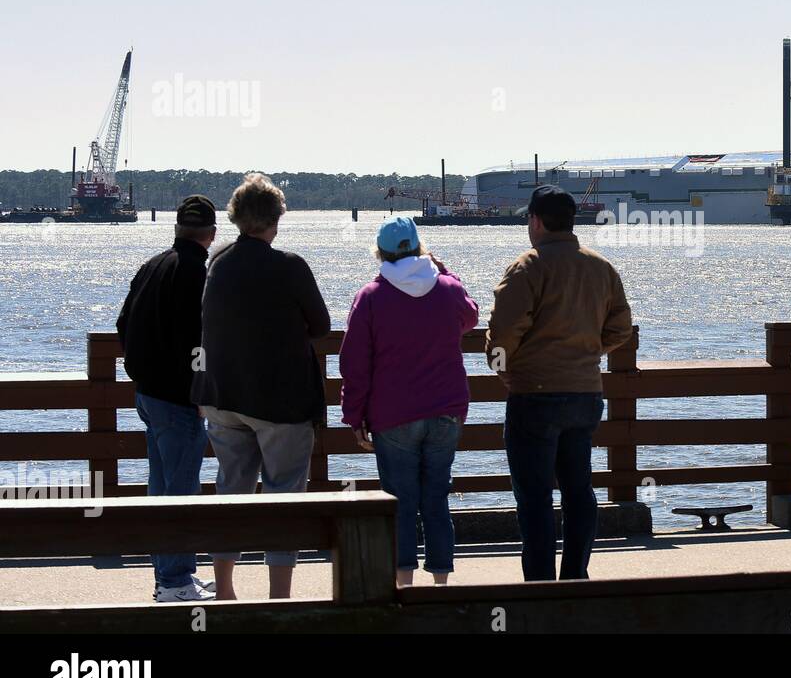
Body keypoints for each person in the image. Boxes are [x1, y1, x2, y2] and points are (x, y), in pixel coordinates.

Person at [191, 173, 330, 600]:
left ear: (235, 218)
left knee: (230, 491)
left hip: (222, 397)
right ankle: (279, 597)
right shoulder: (289, 265)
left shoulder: (218, 262)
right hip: (280, 401)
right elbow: (321, 325)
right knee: (284, 494)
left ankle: (226, 590)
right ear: (275, 218)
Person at [485, 185, 634, 581]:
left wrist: (502, 368)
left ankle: (539, 584)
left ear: (535, 220)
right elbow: (621, 327)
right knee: (578, 490)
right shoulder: (600, 267)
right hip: (585, 392)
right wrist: (587, 353)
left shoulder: (528, 266)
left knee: (534, 497)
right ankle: (575, 576)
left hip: (534, 395)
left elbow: (503, 332)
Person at [339, 216, 479, 586]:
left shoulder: (371, 297)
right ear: (419, 247)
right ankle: (441, 585)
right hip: (446, 411)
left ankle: (403, 584)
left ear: (380, 253)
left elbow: (354, 363)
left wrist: (355, 416)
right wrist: (448, 273)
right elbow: (471, 316)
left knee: (399, 502)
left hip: (393, 414)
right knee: (436, 497)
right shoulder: (447, 288)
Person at [116, 195, 219, 603]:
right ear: (211, 234)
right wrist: (199, 390)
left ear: (178, 228)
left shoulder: (152, 267)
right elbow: (198, 340)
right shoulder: (198, 273)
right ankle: (175, 581)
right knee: (180, 490)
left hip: (148, 395)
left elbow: (123, 323)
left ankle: (169, 575)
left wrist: (143, 371)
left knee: (161, 487)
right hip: (177, 401)